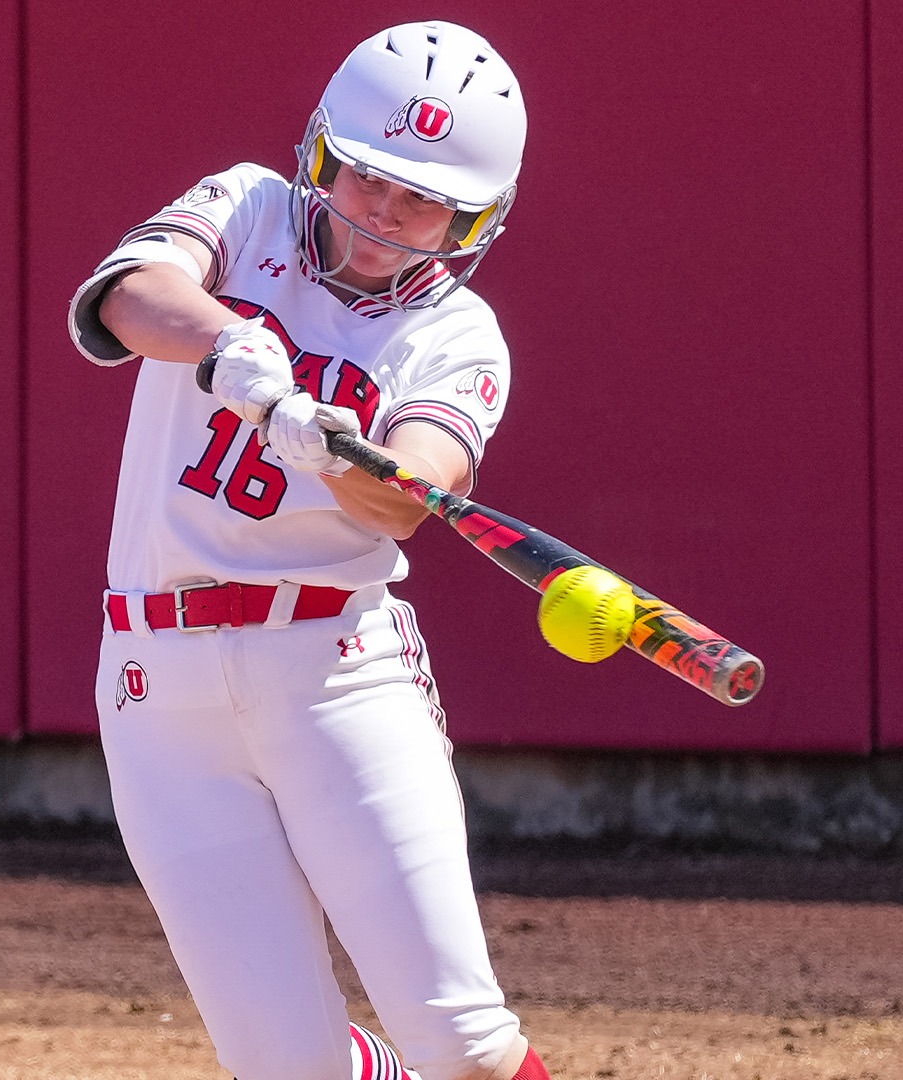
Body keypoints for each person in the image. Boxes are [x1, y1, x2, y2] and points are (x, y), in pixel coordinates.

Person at [66, 21, 551, 1080]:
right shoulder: (249, 209)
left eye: (422, 198)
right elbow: (130, 295)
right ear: (323, 152)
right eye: (367, 176)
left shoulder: (459, 334)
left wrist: (332, 449)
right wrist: (235, 347)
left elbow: (410, 494)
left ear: (475, 218)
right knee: (290, 1067)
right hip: (157, 686)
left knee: (462, 1044)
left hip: (336, 674)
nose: (384, 213)